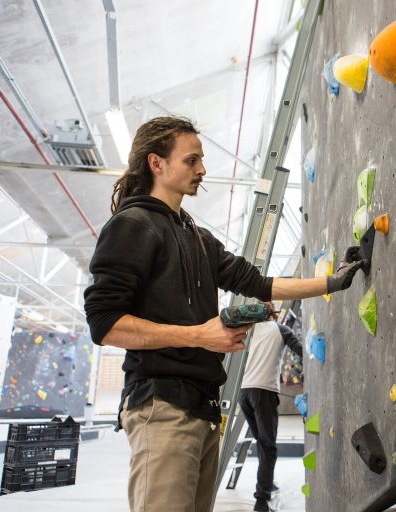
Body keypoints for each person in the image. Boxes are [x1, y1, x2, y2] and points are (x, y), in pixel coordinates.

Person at [83, 116, 364, 512]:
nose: (201, 170)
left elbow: (262, 284)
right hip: (161, 407)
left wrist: (333, 283)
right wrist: (199, 335)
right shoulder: (133, 225)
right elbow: (104, 323)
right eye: (191, 160)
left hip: (202, 408)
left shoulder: (196, 236)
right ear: (156, 164)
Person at [238, 306, 302, 512]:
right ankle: (262, 500)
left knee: (262, 443)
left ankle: (267, 482)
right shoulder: (281, 329)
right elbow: (301, 351)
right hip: (263, 393)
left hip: (244, 392)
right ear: (273, 315)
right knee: (268, 446)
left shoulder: (251, 330)